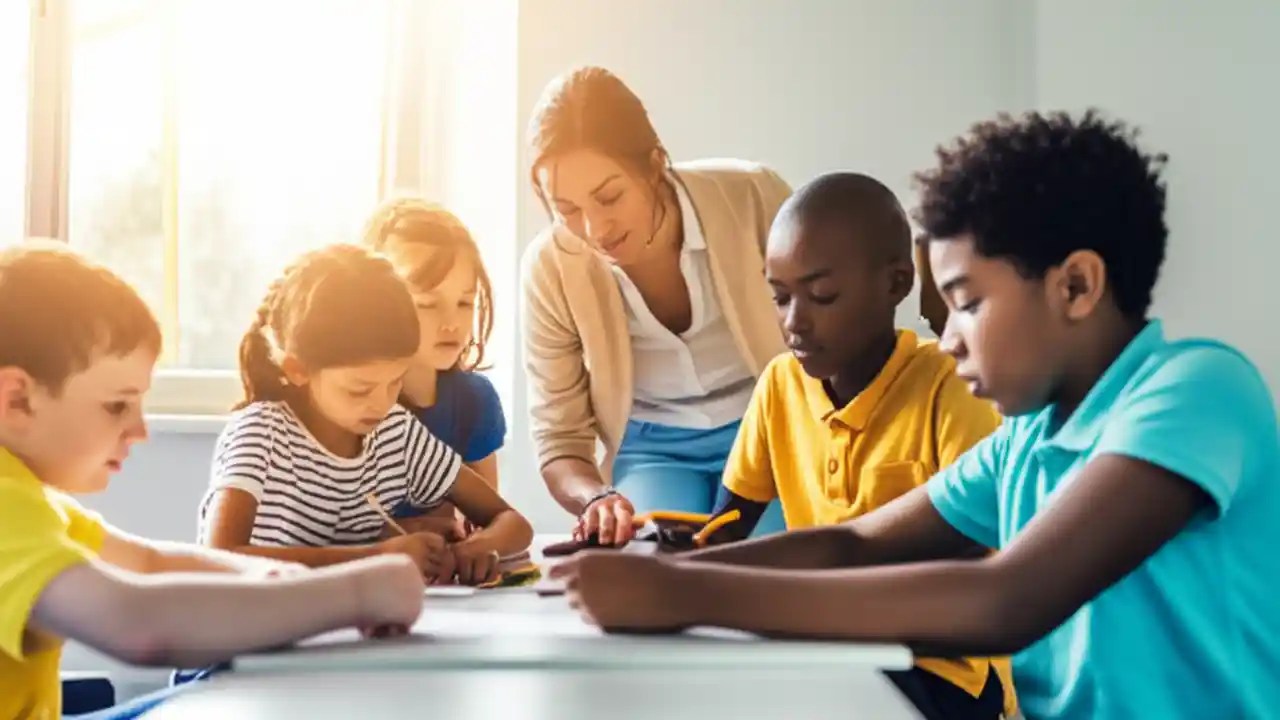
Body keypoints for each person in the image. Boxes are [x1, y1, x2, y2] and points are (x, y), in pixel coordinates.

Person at [552, 111, 1280, 720]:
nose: (950, 335)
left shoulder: (1196, 390)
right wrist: (674, 564)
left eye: (966, 302)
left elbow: (1008, 597)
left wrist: (686, 593)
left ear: (1078, 285)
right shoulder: (1026, 440)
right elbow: (854, 545)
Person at [0, 242, 424, 719]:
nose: (140, 431)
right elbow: (136, 624)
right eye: (117, 405)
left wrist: (270, 577)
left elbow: (150, 562)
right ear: (17, 401)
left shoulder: (31, 499)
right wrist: (355, 595)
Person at [696, 171, 1015, 719]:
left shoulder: (949, 384)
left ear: (896, 284)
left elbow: (966, 552)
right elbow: (726, 525)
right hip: (825, 648)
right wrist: (667, 545)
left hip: (941, 667)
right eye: (779, 297)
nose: (794, 322)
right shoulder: (779, 385)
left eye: (821, 296)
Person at [522, 65, 789, 545]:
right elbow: (559, 440)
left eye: (609, 197)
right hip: (653, 451)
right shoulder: (549, 268)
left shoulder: (755, 197)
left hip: (772, 432)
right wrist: (596, 498)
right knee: (654, 565)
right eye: (568, 210)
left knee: (769, 561)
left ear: (653, 164)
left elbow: (835, 340)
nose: (594, 229)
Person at [199, 244, 532, 586]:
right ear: (298, 370)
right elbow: (219, 556)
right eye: (359, 389)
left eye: (395, 382)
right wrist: (375, 557)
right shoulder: (260, 434)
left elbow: (512, 521)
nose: (382, 404)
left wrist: (478, 547)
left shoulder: (396, 435)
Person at [362, 198, 506, 536]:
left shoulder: (475, 401)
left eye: (464, 302)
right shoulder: (352, 401)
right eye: (427, 304)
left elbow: (493, 519)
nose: (451, 322)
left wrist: (478, 546)